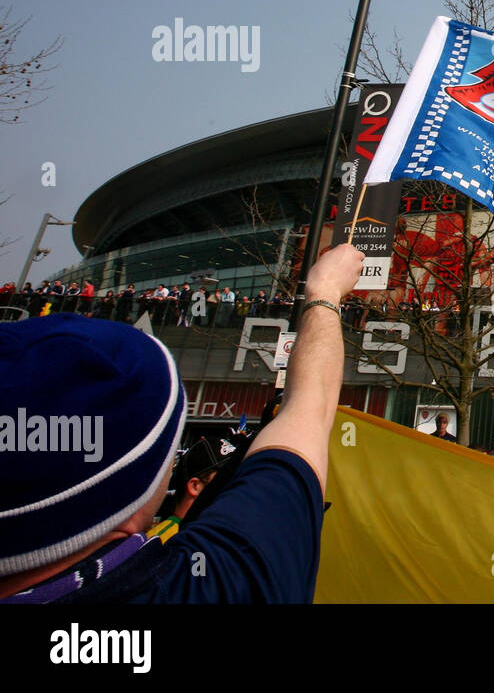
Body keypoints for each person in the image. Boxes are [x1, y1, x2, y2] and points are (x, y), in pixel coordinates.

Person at [0, 243, 365, 603]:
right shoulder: (217, 584)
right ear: (140, 479)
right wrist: (325, 294)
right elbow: (309, 405)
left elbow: (306, 409)